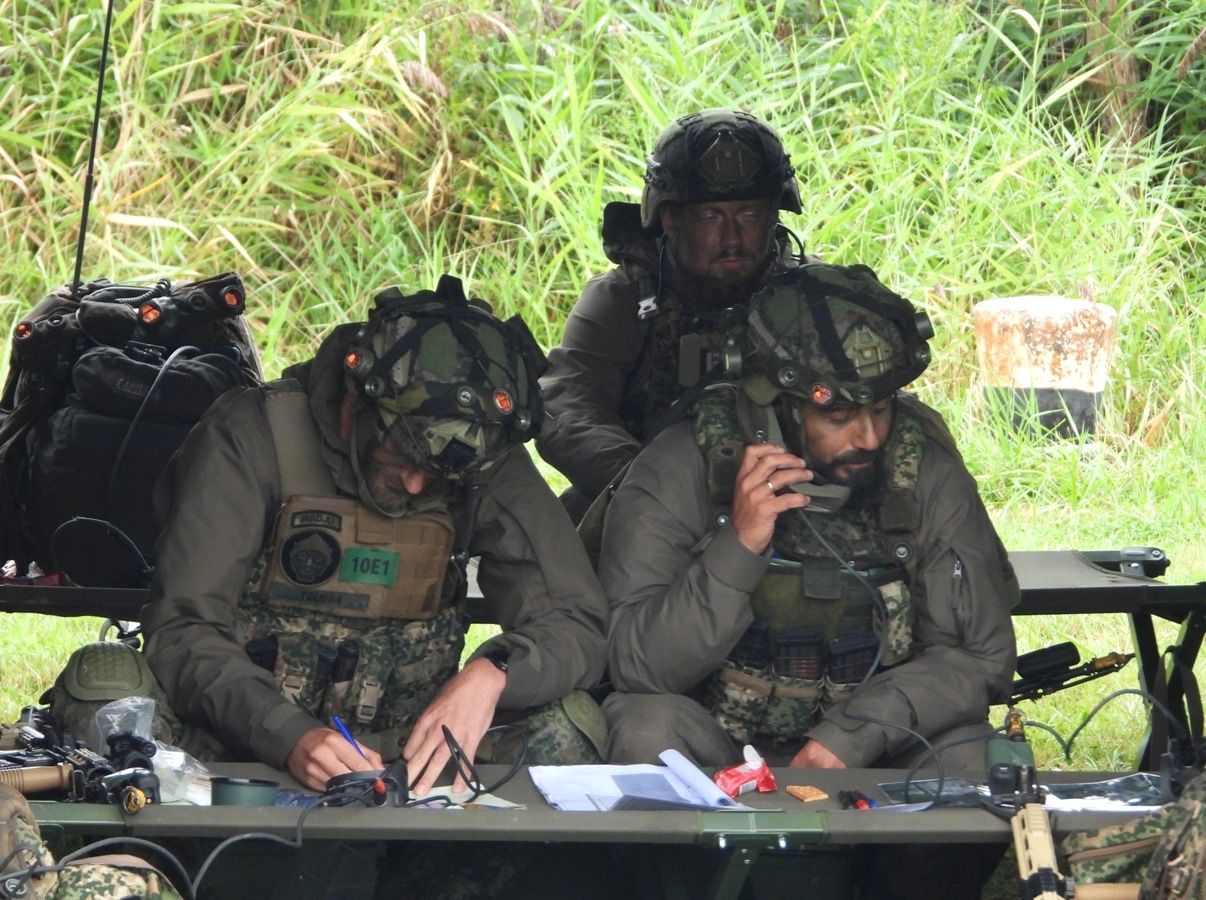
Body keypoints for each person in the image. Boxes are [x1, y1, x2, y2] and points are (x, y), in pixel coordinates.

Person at [598, 263, 1019, 897]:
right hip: (722, 745)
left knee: (977, 761)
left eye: (881, 408)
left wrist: (854, 732)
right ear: (777, 409)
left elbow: (981, 655)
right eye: (841, 415)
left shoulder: (921, 472)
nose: (870, 436)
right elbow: (634, 667)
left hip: (876, 746)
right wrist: (738, 546)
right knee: (642, 732)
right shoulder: (683, 466)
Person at [139, 275, 608, 798]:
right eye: (398, 459)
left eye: (436, 478)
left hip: (410, 754)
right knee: (107, 692)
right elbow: (182, 627)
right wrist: (288, 733)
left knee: (573, 723)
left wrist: (493, 671)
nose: (413, 484)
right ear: (352, 406)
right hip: (242, 746)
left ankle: (452, 880)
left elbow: (576, 621)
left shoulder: (476, 451)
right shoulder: (256, 437)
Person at [537, 108, 821, 520]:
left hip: (794, 505)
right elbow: (567, 409)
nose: (731, 238)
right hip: (647, 508)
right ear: (670, 219)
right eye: (710, 217)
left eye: (749, 215)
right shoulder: (622, 300)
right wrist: (656, 487)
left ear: (775, 214)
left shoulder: (814, 299)